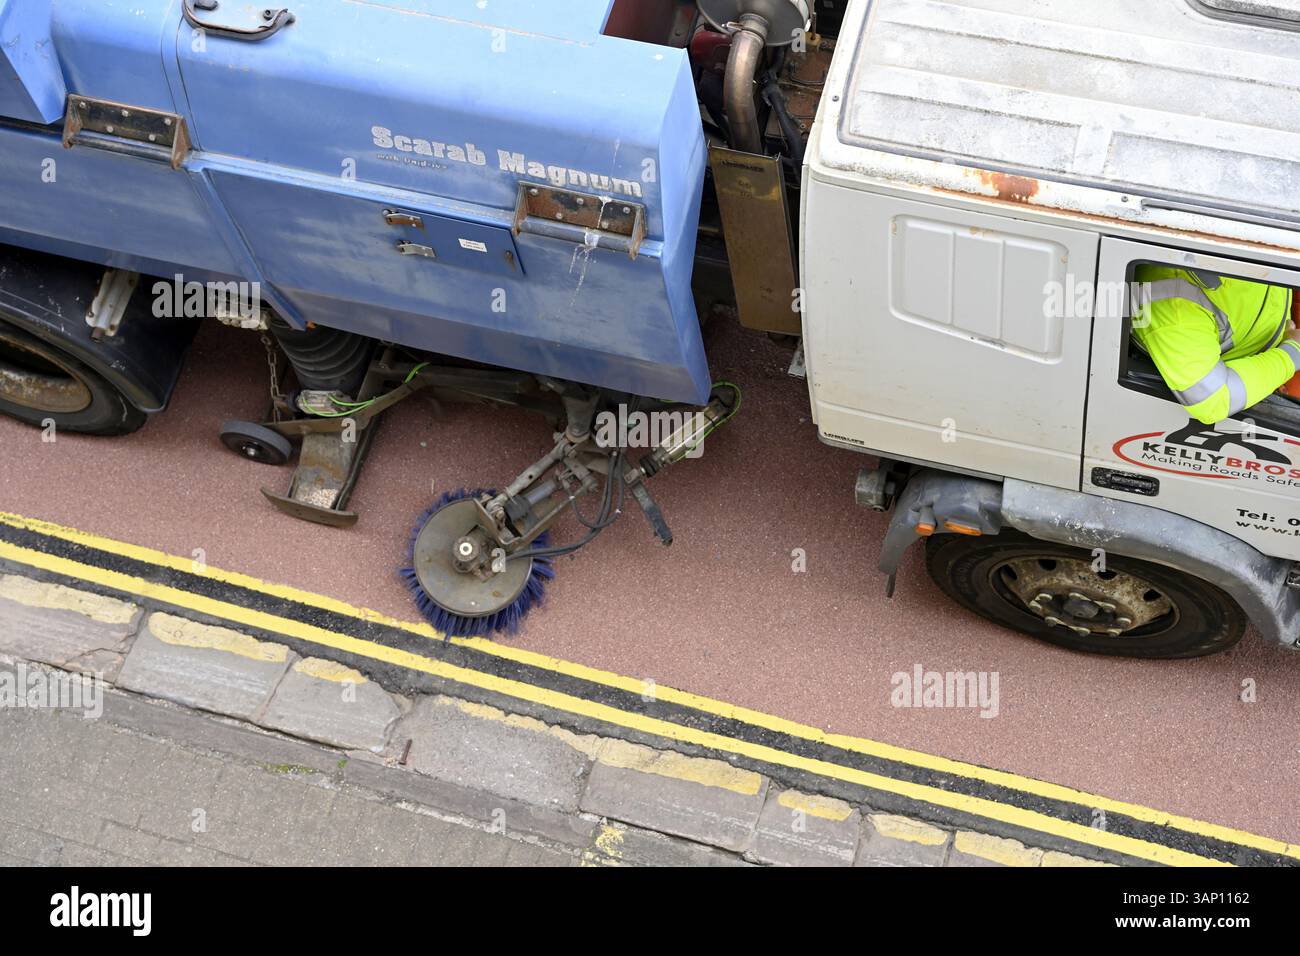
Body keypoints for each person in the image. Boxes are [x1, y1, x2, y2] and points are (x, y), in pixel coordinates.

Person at [1131, 264, 1300, 425]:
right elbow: (1214, 402)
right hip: (1266, 382)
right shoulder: (1176, 309)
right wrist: (1291, 353)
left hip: (1277, 363)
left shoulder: (1240, 247)